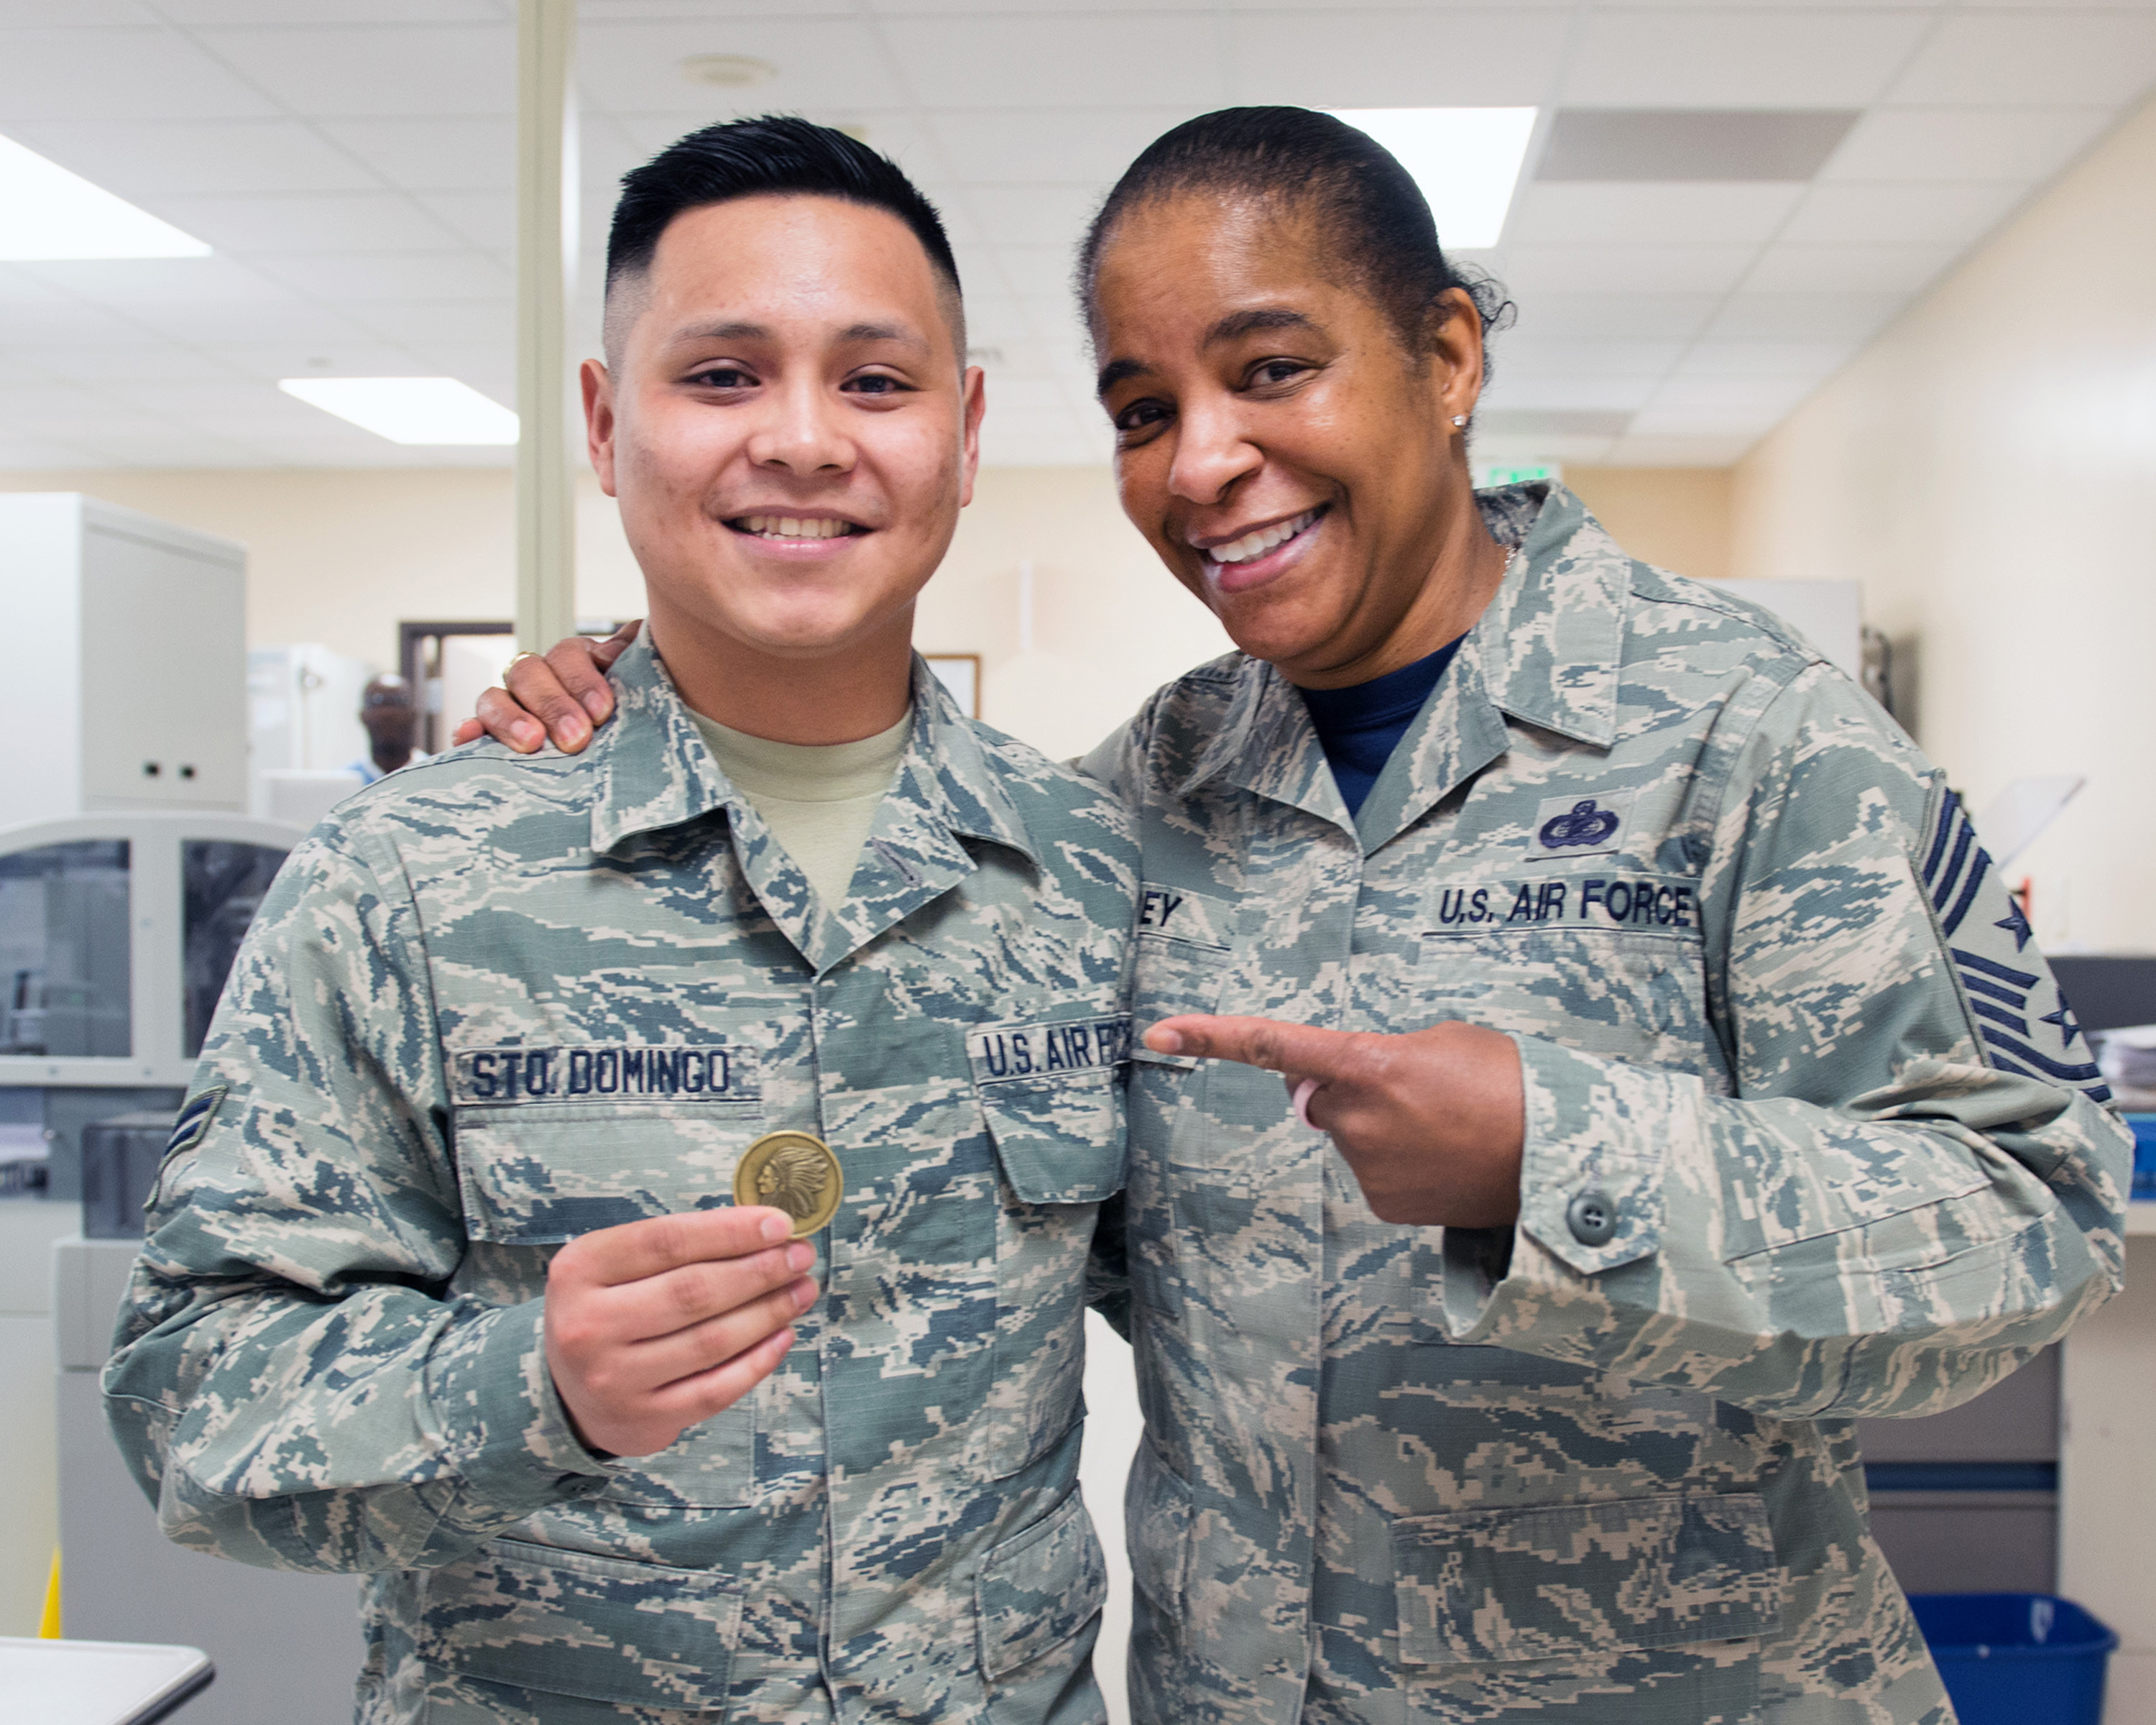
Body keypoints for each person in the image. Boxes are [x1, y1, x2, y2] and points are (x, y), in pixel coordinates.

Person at [470, 108, 2131, 1724]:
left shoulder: (1756, 732)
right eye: (1140, 408)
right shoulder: (1133, 800)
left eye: (1270, 369)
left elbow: (2033, 1215)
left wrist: (1553, 1158)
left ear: (1450, 356)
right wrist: (636, 708)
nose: (1200, 461)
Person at [105, 118, 1136, 1725]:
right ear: (602, 421)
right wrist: (529, 1389)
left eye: (875, 381)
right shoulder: (413, 881)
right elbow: (188, 1404)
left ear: (968, 426)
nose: (802, 441)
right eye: (721, 375)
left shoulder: (1091, 870)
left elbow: (1255, 1298)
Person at [350, 671, 430, 782]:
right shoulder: (346, 782)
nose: (388, 713)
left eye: (397, 702)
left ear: (414, 715)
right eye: (377, 702)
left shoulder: (437, 775)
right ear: (363, 717)